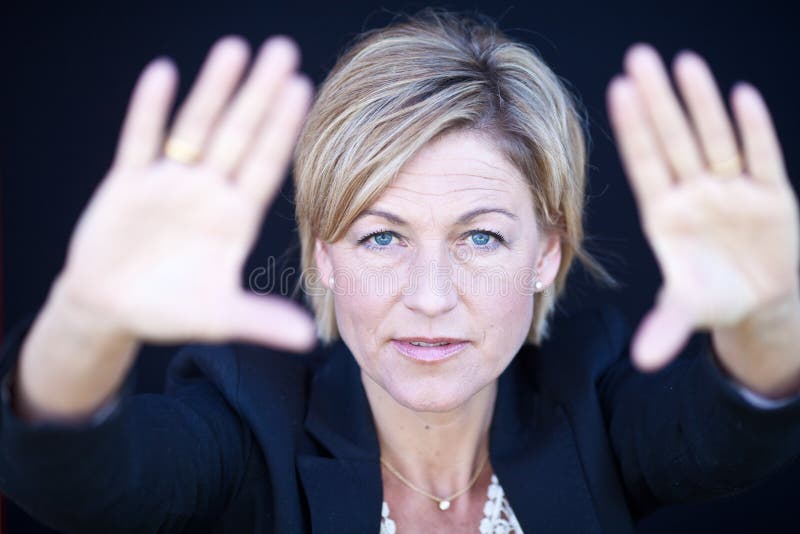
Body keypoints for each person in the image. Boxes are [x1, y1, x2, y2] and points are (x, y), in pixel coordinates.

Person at [2, 8, 800, 533]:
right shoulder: (248, 420)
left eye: (480, 237)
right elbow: (77, 483)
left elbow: (731, 430)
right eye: (381, 238)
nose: (429, 297)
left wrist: (771, 318)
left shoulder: (591, 394)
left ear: (546, 254)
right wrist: (86, 320)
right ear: (323, 254)